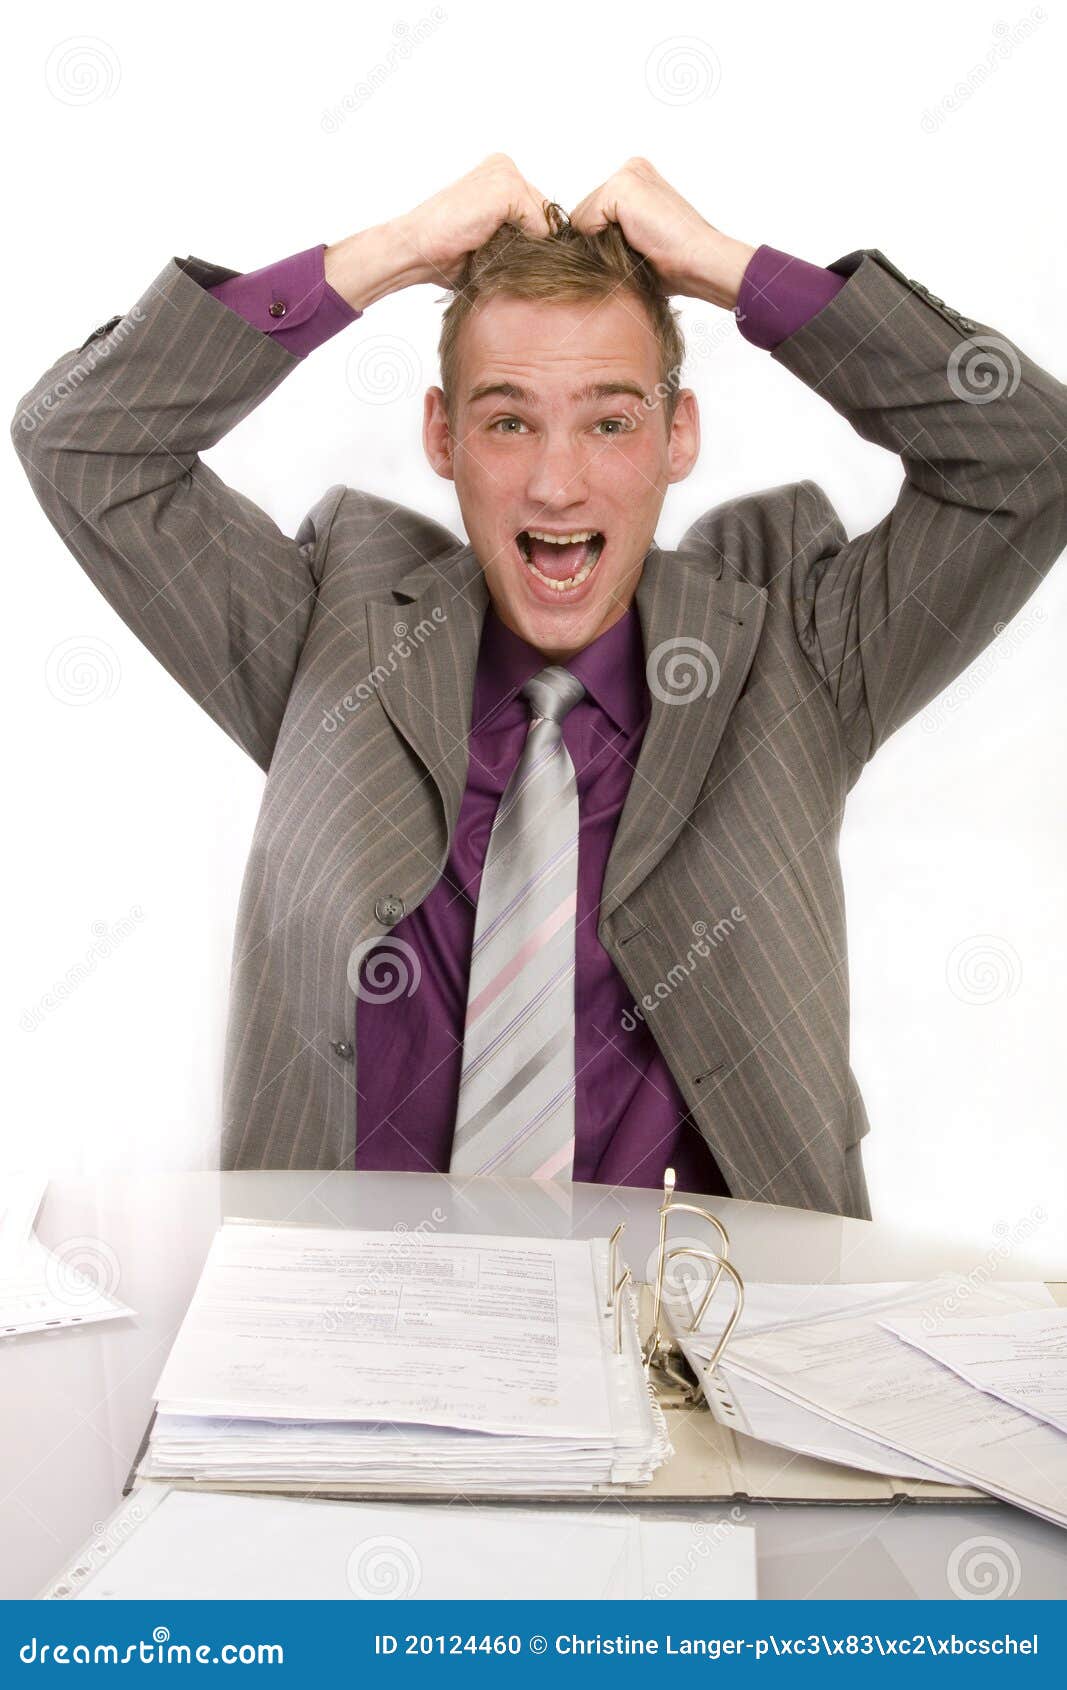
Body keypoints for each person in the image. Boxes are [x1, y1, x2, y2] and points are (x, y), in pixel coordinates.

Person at [12, 155, 1067, 1215]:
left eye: (610, 420)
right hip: (338, 1321)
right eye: (508, 419)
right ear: (442, 435)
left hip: (700, 1324)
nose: (556, 482)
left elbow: (1028, 457)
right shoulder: (327, 632)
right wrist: (389, 256)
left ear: (676, 435)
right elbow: (86, 441)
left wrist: (728, 270)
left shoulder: (797, 643)